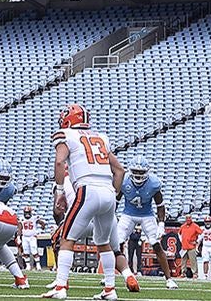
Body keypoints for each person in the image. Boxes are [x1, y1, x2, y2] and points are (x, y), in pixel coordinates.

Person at [42, 104, 123, 301]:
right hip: (108, 191)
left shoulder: (65, 135)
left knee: (67, 239)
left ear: (69, 119)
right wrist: (114, 195)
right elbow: (119, 171)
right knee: (103, 243)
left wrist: (60, 191)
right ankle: (110, 289)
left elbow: (60, 162)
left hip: (87, 189)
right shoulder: (101, 137)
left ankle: (60, 286)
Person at [114, 155, 177, 291]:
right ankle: (114, 275)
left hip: (147, 215)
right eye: (135, 171)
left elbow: (160, 205)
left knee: (156, 244)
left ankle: (169, 279)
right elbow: (116, 201)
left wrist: (161, 223)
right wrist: (112, 216)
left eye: (141, 172)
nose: (138, 175)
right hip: (128, 214)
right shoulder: (124, 181)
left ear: (147, 172)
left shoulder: (154, 183)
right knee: (116, 244)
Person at [19, 206, 42, 272]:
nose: (27, 214)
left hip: (32, 237)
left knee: (34, 250)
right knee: (26, 251)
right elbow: (20, 228)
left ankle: (38, 265)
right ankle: (28, 266)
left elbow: (41, 223)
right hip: (24, 237)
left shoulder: (34, 218)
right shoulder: (21, 219)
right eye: (26, 212)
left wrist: (42, 224)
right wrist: (18, 237)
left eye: (28, 212)